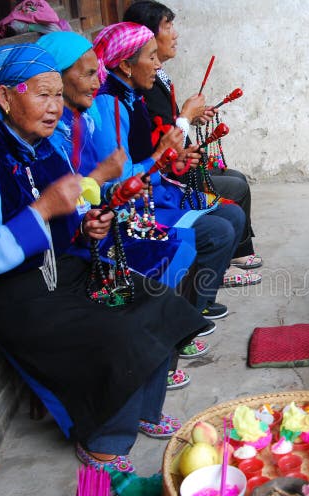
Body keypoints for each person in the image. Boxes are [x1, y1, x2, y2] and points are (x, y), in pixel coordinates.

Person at [0, 44, 209, 472]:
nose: (53, 108)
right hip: (19, 294)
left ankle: (145, 408)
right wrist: (45, 209)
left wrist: (86, 226)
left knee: (156, 301)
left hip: (62, 271)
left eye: (56, 96)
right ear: (6, 98)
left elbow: (68, 214)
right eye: (41, 95)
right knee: (116, 334)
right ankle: (105, 439)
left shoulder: (45, 148)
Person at [37, 30, 197, 391]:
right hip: (72, 243)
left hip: (95, 218)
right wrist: (161, 154)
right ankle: (156, 351)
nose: (99, 81)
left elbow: (97, 185)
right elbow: (108, 180)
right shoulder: (94, 111)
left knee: (189, 239)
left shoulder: (88, 114)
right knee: (182, 244)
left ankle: (166, 343)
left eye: (98, 72)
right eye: (89, 74)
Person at [90, 22, 245, 342]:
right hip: (131, 210)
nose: (159, 64)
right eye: (151, 57)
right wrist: (162, 155)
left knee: (231, 213)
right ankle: (181, 325)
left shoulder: (132, 97)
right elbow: (118, 180)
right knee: (218, 230)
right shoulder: (110, 104)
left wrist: (169, 161)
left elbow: (144, 165)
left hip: (154, 192)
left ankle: (196, 306)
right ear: (125, 65)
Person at [123, 1, 264, 285]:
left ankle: (234, 252)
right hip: (162, 176)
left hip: (168, 166)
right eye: (167, 27)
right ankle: (223, 262)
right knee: (235, 188)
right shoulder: (132, 94)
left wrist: (192, 116)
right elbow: (160, 140)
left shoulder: (153, 77)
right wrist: (185, 115)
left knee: (235, 180)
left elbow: (165, 124)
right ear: (147, 36)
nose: (174, 34)